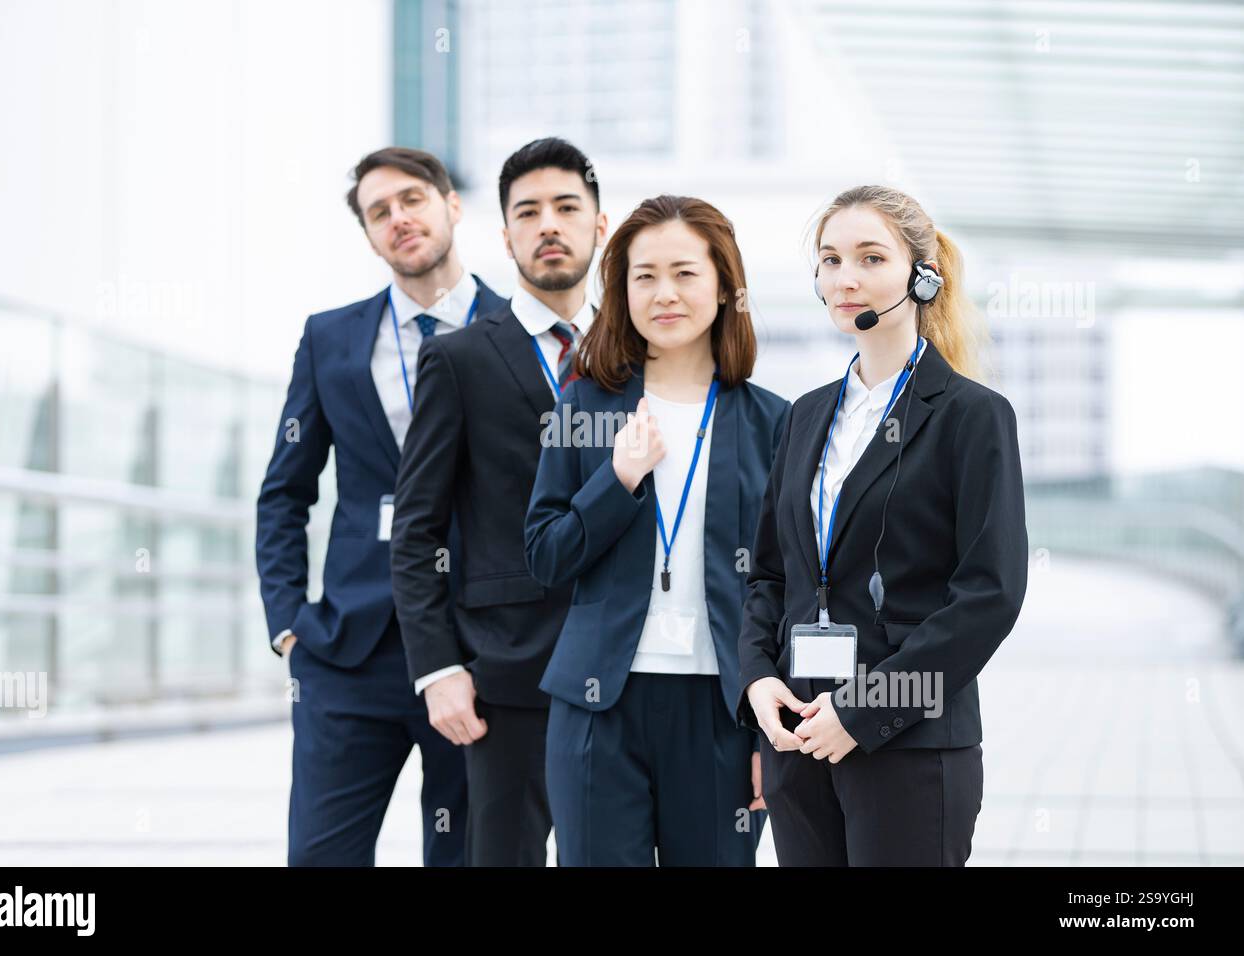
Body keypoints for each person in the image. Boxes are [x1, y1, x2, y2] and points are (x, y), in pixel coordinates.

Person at [737, 184, 1028, 866]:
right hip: (799, 741)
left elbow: (990, 595)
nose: (846, 278)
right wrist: (757, 680)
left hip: (909, 746)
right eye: (831, 260)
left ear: (923, 276)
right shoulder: (804, 416)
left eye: (871, 258)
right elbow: (770, 572)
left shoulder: (972, 416)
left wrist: (864, 711)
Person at [257, 146, 504, 866]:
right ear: (368, 233)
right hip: (347, 651)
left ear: (451, 205)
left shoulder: (518, 329)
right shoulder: (329, 338)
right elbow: (285, 491)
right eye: (378, 212)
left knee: (465, 857)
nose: (399, 218)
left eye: (412, 199)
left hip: (478, 649)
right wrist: (287, 626)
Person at [525, 195, 789, 866]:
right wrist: (616, 481)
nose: (663, 293)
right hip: (598, 706)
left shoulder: (775, 422)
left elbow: (785, 588)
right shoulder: (582, 403)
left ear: (726, 286)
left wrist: (770, 733)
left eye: (684, 273)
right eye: (644, 276)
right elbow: (546, 554)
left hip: (723, 711)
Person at [391, 137, 608, 866]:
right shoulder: (458, 359)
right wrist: (438, 668)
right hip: (506, 672)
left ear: (600, 225)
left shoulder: (642, 351)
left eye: (567, 208)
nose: (549, 224)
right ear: (506, 233)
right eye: (529, 212)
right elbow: (416, 528)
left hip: (629, 661)